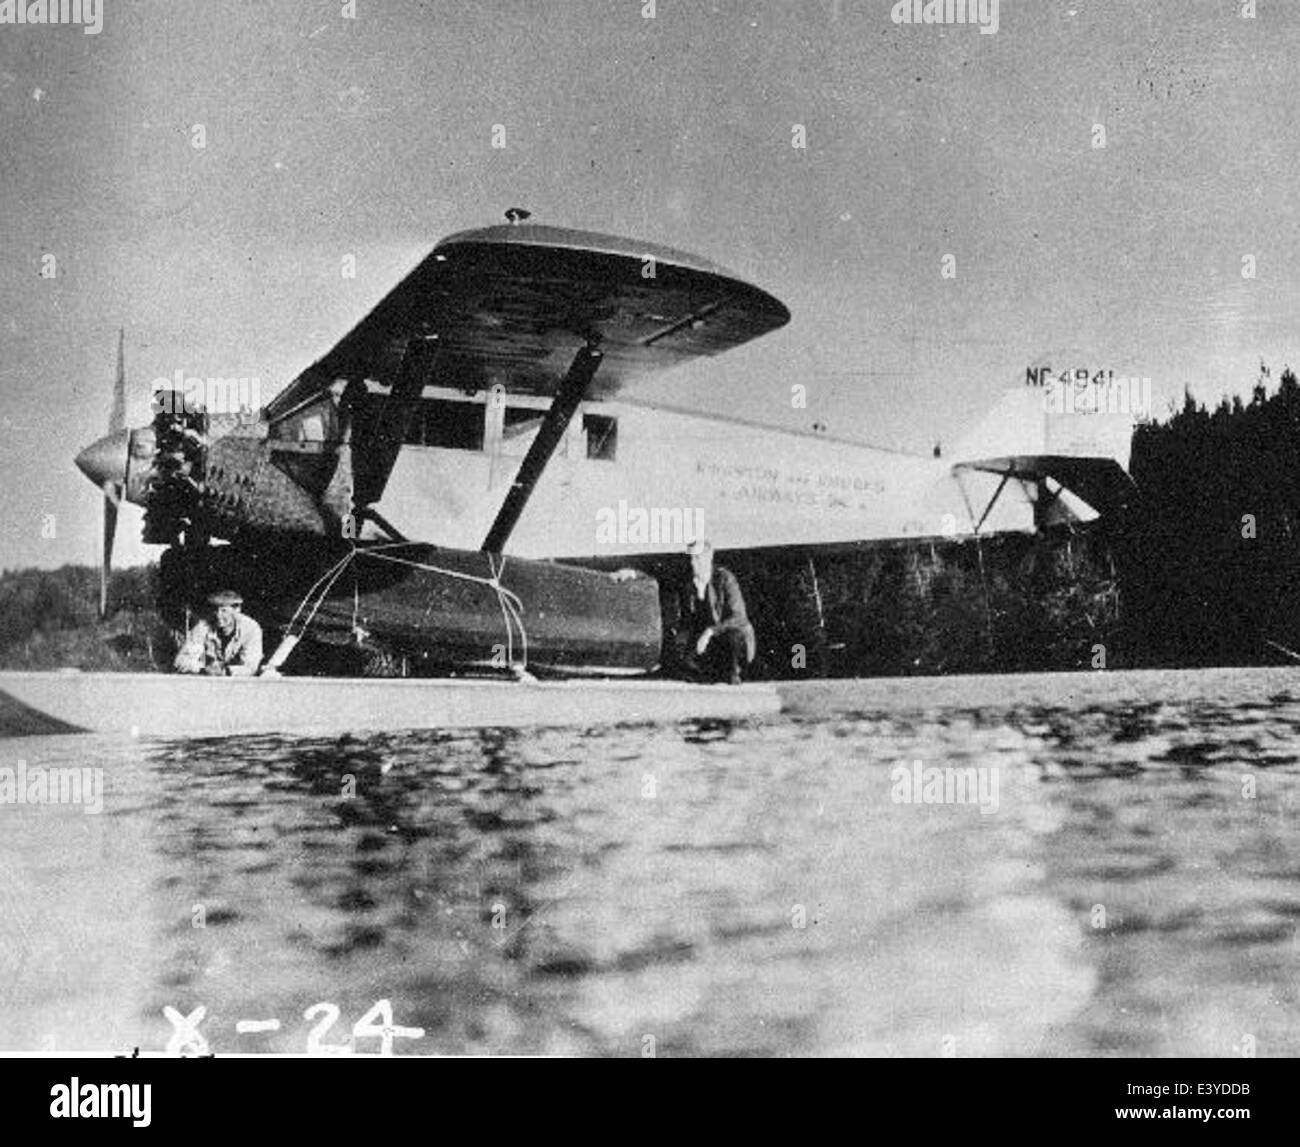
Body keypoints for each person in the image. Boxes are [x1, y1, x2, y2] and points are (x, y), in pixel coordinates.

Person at [667, 539, 755, 684]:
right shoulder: (689, 586)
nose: (693, 563)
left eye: (697, 558)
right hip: (707, 642)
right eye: (691, 558)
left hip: (727, 637)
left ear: (709, 558)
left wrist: (710, 632)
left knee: (733, 636)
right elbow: (689, 620)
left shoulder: (725, 579)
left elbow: (738, 617)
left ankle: (734, 673)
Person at [174, 589, 264, 676]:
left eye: (224, 610)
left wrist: (225, 671)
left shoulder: (251, 628)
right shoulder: (203, 627)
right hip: (208, 679)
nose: (218, 615)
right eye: (215, 610)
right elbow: (181, 661)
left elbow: (250, 666)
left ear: (237, 610)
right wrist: (203, 668)